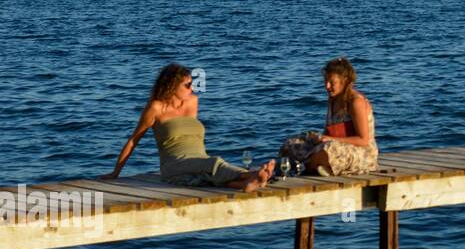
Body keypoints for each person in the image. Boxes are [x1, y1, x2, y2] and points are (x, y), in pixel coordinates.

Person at [104, 63, 276, 191]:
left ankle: (248, 183)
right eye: (187, 85)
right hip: (173, 165)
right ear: (172, 86)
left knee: (207, 175)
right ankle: (254, 175)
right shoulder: (156, 108)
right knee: (213, 162)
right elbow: (134, 140)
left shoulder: (193, 102)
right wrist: (115, 173)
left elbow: (189, 134)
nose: (192, 88)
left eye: (192, 83)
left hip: (199, 161)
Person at [281, 58, 378, 176]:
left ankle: (305, 166)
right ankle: (318, 166)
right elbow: (331, 132)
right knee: (291, 144)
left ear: (345, 81)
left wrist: (330, 140)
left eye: (332, 82)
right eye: (325, 81)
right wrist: (320, 138)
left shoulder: (356, 102)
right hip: (336, 144)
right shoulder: (333, 99)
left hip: (362, 154)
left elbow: (363, 140)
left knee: (329, 149)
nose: (327, 86)